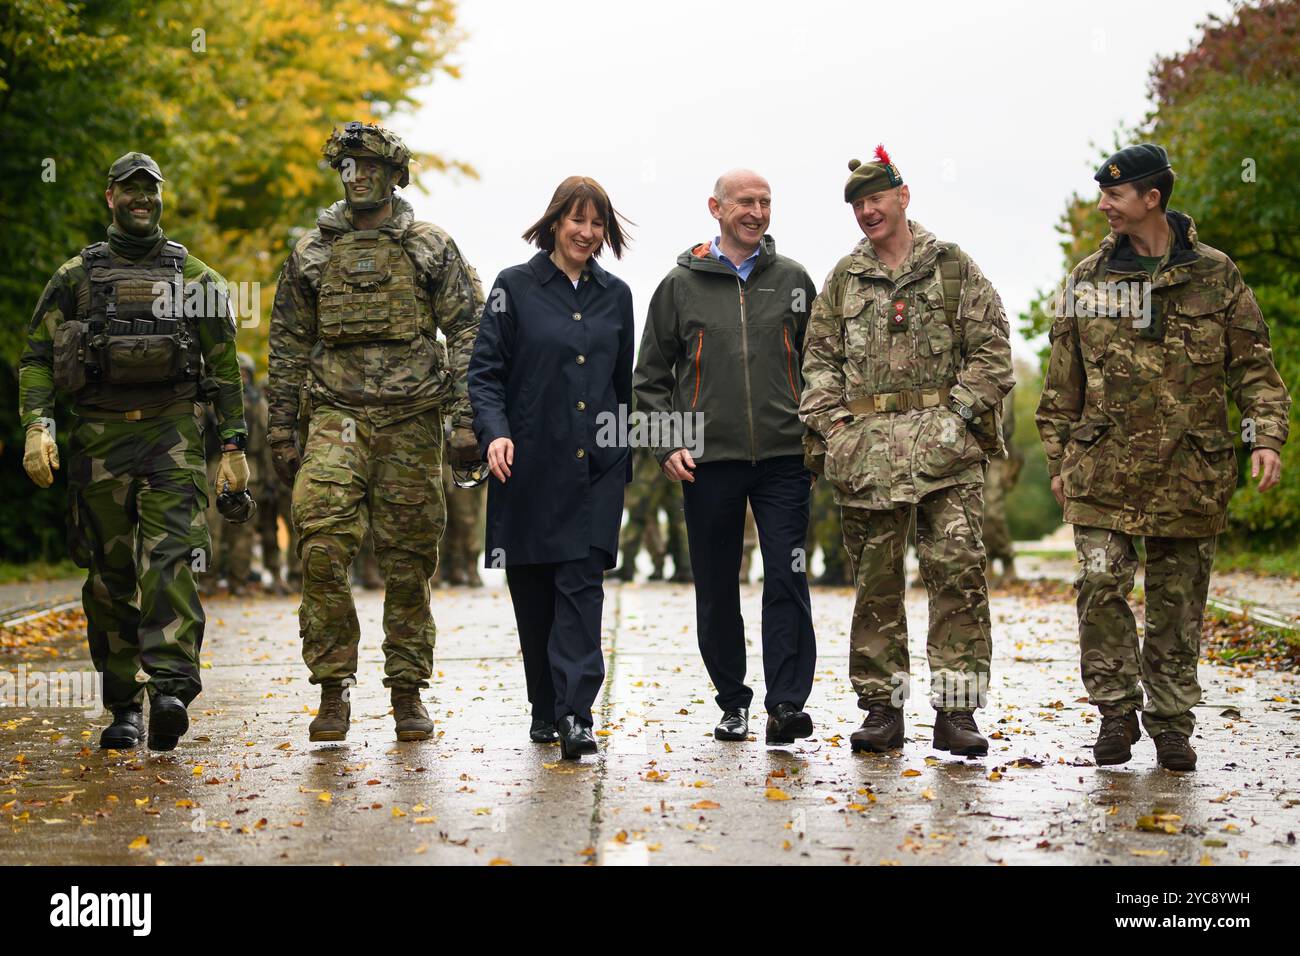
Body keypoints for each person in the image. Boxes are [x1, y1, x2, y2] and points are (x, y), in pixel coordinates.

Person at [1036, 144, 1290, 771]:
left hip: (1189, 473)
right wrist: (1057, 461)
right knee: (1100, 586)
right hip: (1101, 471)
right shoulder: (1087, 282)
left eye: (1115, 196)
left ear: (1152, 199)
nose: (1104, 207)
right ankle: (1116, 712)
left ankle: (1172, 722)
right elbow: (1060, 387)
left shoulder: (1217, 276)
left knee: (1179, 602)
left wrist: (1264, 438)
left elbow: (1254, 372)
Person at [18, 151, 248, 751]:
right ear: (111, 198)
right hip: (98, 438)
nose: (141, 199)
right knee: (108, 576)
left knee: (171, 561)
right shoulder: (75, 278)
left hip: (172, 435)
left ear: (161, 197)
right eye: (130, 190)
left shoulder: (196, 279)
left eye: (151, 190)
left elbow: (224, 367)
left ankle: (171, 689)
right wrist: (38, 425)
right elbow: (37, 359)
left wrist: (232, 446)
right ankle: (123, 705)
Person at [267, 122, 483, 742]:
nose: (356, 176)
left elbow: (468, 333)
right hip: (336, 414)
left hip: (412, 419)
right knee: (323, 544)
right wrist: (282, 433)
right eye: (346, 167)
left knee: (409, 560)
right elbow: (286, 346)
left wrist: (467, 420)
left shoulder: (429, 247)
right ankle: (332, 690)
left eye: (368, 166)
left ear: (394, 175)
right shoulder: (311, 252)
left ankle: (407, 692)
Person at [800, 146, 1013, 756]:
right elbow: (818, 364)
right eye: (858, 204)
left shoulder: (951, 268)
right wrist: (836, 430)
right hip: (866, 458)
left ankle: (959, 713)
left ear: (903, 196)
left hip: (946, 459)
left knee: (959, 578)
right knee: (876, 586)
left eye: (877, 198)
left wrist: (956, 421)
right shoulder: (845, 278)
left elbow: (993, 353)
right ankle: (880, 710)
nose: (868, 211)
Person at [633, 169, 819, 747]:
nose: (756, 212)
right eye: (745, 202)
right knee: (716, 584)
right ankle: (733, 701)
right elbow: (650, 378)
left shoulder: (793, 279)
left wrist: (815, 433)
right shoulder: (679, 284)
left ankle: (786, 705)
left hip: (785, 457)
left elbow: (821, 364)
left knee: (787, 577)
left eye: (765, 202)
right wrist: (667, 443)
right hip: (707, 461)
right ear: (716, 207)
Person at [469, 176, 634, 759]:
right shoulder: (512, 287)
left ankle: (576, 714)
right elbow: (484, 373)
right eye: (577, 221)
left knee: (581, 590)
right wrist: (496, 434)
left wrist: (622, 460)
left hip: (596, 470)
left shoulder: (617, 296)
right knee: (534, 594)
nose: (587, 233)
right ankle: (546, 707)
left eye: (597, 224)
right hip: (527, 467)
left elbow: (622, 387)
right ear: (555, 222)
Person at [982, 389, 1023, 583]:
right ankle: (986, 562)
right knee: (975, 513)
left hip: (996, 453)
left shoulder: (1000, 369)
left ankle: (1007, 559)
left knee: (992, 511)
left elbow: (1007, 422)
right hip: (964, 452)